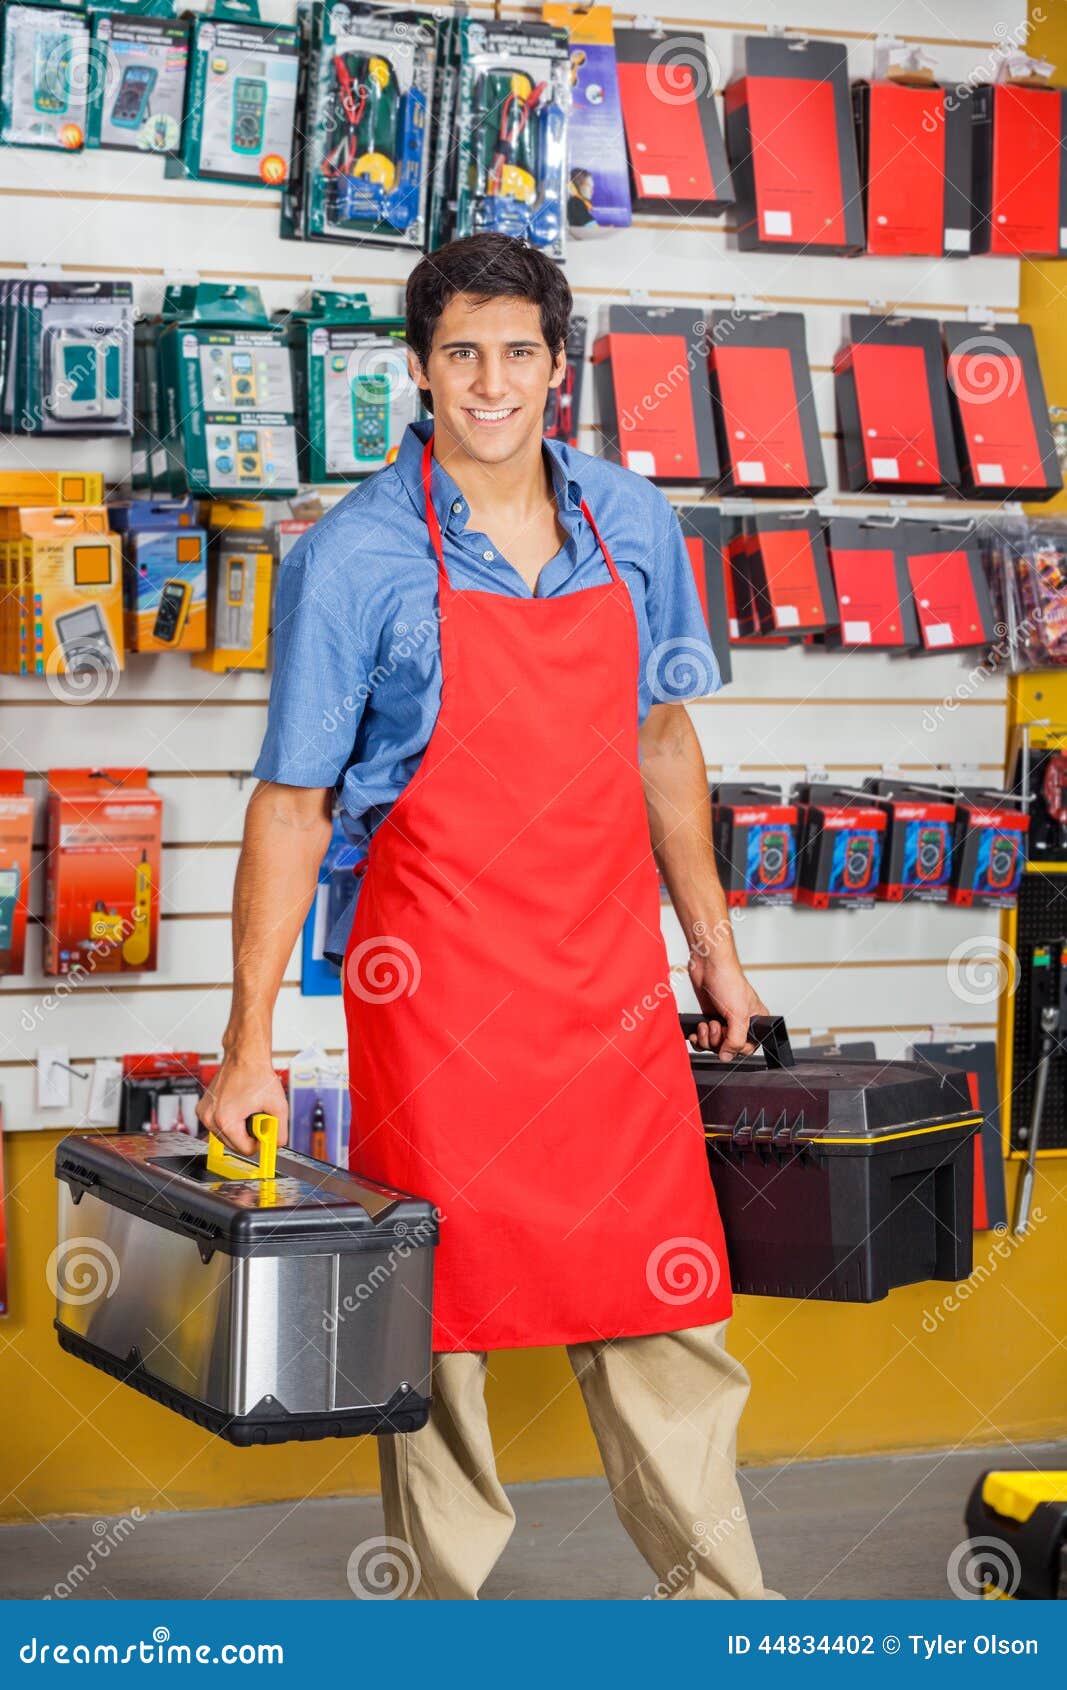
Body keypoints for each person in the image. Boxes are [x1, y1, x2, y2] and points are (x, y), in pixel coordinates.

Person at [199, 232, 781, 1602]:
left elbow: (661, 739)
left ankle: (730, 1619)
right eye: (461, 352)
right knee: (437, 1325)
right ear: (418, 368)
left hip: (610, 987)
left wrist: (713, 951)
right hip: (437, 990)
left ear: (558, 366)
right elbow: (291, 807)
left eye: (518, 351)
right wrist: (244, 1042)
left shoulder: (630, 523)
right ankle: (435, 1627)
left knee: (664, 1301)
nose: (490, 382)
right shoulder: (351, 556)